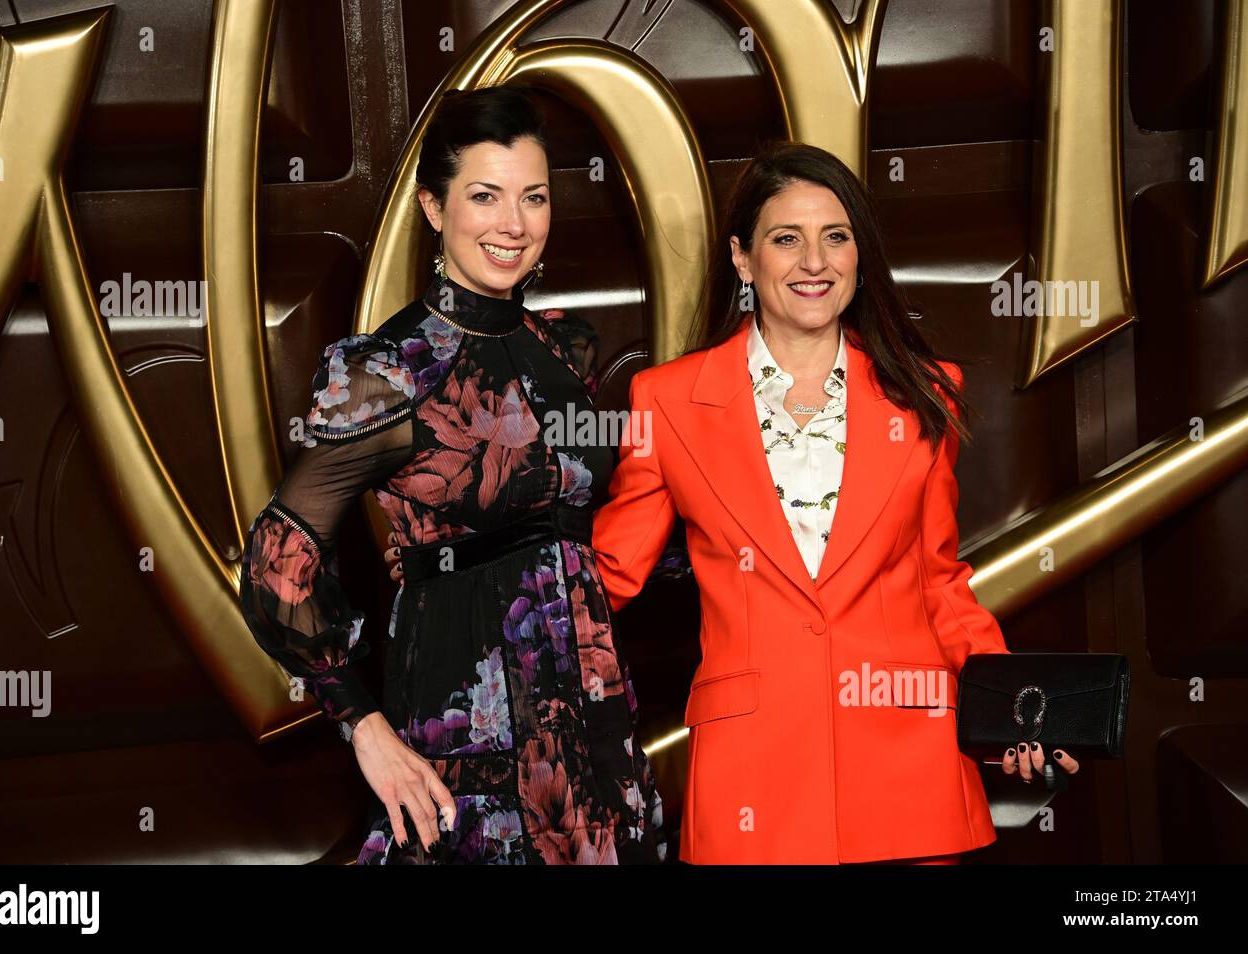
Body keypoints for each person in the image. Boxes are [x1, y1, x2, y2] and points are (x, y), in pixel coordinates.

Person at [386, 140, 1082, 864]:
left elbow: (940, 585)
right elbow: (601, 577)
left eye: (835, 238)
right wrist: (456, 568)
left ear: (859, 256)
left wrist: (1018, 709)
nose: (815, 261)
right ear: (745, 260)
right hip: (753, 786)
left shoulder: (925, 393)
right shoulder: (669, 401)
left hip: (912, 779)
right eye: (787, 239)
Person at [238, 86, 666, 865]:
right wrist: (363, 728)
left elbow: (589, 528)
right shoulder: (391, 371)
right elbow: (275, 568)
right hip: (470, 735)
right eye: (485, 196)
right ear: (434, 208)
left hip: (594, 727)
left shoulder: (567, 352)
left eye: (533, 198)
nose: (513, 223)